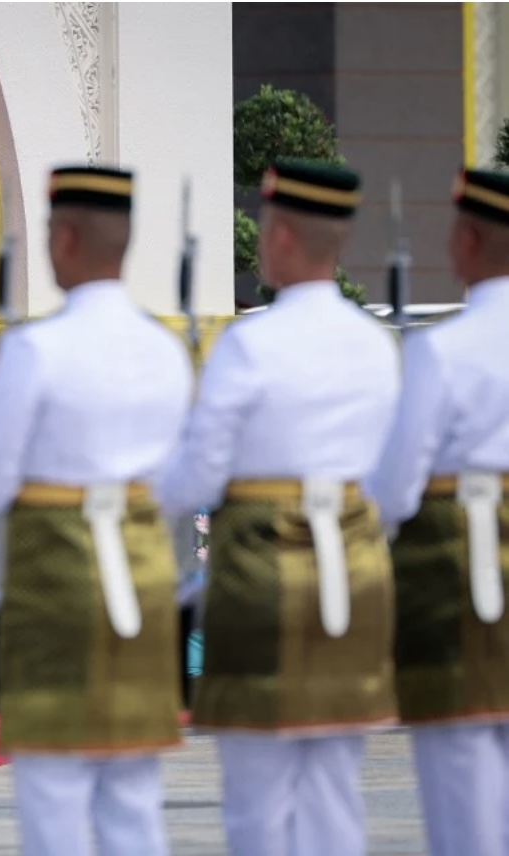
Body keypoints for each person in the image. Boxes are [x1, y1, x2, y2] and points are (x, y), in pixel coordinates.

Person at [156, 159, 400, 856]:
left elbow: (200, 469)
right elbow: (390, 481)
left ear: (285, 237)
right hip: (351, 573)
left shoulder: (249, 344)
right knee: (334, 789)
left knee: (258, 795)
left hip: (259, 577)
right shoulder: (376, 346)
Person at [0, 165, 191, 856]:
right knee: (133, 785)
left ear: (65, 237)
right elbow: (179, 483)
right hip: (145, 575)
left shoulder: (37, 347)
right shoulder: (167, 348)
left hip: (52, 577)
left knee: (53, 784)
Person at [366, 166, 509, 856]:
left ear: (473, 240)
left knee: (462, 791)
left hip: (460, 575)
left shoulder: (442, 349)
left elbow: (394, 488)